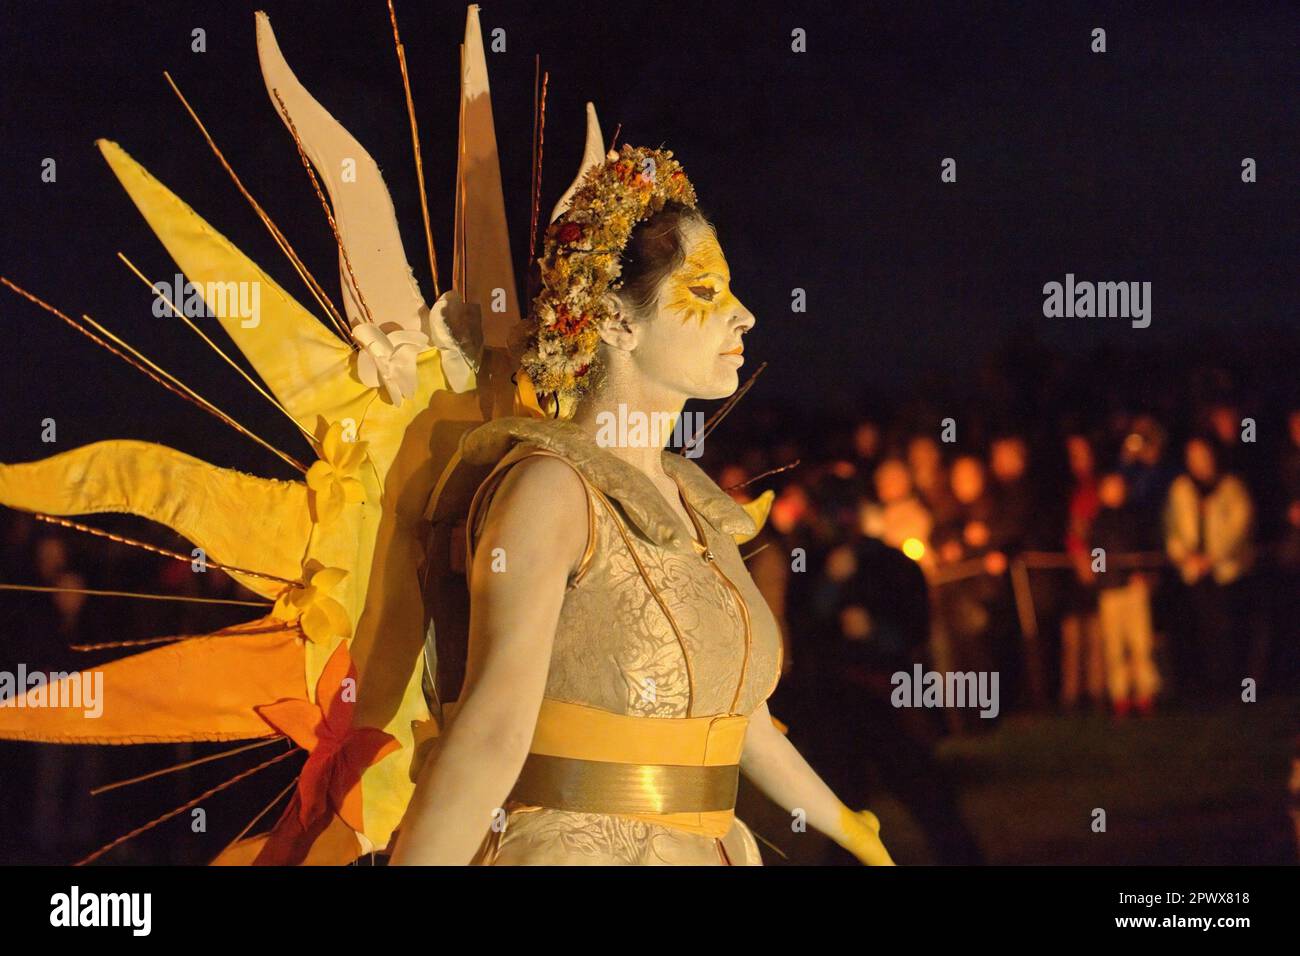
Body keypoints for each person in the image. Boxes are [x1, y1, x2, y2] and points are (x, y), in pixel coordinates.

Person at [390, 148, 894, 866]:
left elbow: (731, 716)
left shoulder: (699, 506)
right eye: (707, 293)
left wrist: (847, 826)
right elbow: (493, 730)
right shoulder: (548, 492)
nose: (745, 316)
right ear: (616, 323)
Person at [1164, 435, 1255, 700]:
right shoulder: (1180, 489)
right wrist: (1185, 556)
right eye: (1192, 456)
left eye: (1202, 455)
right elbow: (1171, 528)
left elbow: (1239, 526)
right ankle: (1205, 687)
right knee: (1200, 631)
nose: (1198, 462)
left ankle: (1235, 686)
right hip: (1194, 573)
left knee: (1229, 630)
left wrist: (1212, 557)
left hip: (1227, 571)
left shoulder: (1230, 486)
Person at [1090, 473, 1160, 717]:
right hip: (1110, 592)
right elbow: (1096, 557)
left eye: (1119, 486)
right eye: (1110, 487)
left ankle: (1145, 694)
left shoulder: (1136, 517)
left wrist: (1143, 573)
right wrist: (1103, 579)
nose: (1115, 491)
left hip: (1134, 590)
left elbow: (1147, 547)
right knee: (1115, 647)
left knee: (1140, 643)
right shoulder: (1098, 522)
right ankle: (1120, 696)